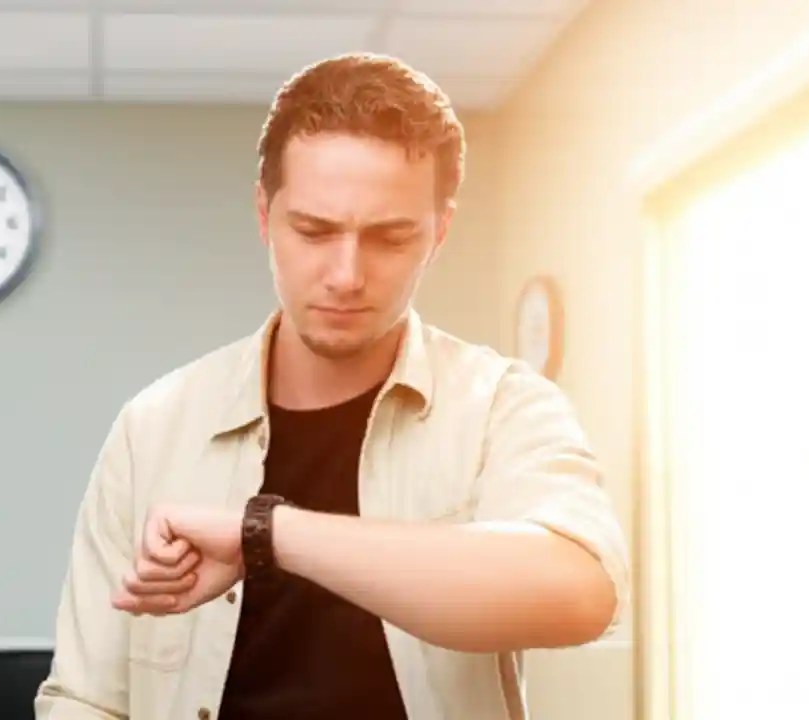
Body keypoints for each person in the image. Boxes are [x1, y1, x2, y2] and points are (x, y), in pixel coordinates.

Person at [35, 52, 630, 720]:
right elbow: (87, 699)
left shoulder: (501, 406)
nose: (346, 274)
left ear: (439, 233)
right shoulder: (154, 428)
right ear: (265, 215)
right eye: (314, 231)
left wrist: (265, 534)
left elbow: (579, 594)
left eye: (389, 237)